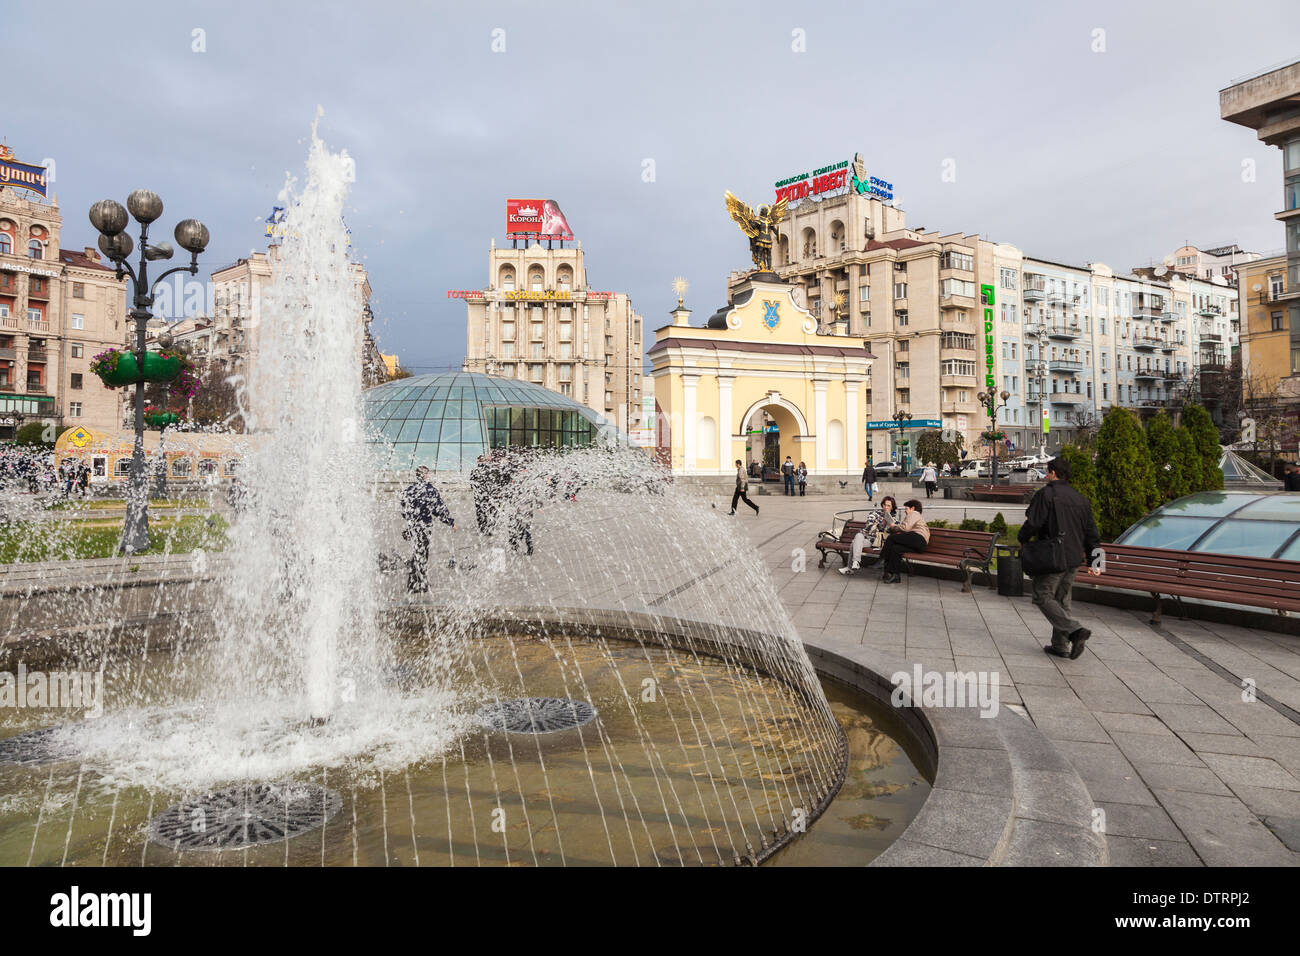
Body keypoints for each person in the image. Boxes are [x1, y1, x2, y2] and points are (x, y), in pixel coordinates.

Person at [1019, 456, 1102, 660]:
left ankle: (1075, 630)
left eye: (1048, 471)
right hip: (1074, 557)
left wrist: (1022, 538)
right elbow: (1092, 532)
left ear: (1053, 472)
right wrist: (1096, 561)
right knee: (1063, 600)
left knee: (1042, 595)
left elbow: (1034, 522)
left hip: (1052, 556)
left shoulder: (1046, 494)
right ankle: (1060, 645)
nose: (1047, 474)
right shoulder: (1080, 498)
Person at [400, 465, 456, 592]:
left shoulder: (409, 490)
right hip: (425, 527)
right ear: (425, 475)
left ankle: (416, 582)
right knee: (422, 554)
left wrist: (410, 522)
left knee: (417, 552)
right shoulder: (429, 490)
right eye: (427, 474)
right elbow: (439, 509)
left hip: (413, 526)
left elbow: (404, 509)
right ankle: (419, 584)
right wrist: (451, 522)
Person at [838, 495, 898, 575]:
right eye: (884, 505)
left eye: (888, 505)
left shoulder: (894, 520)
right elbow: (868, 526)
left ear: (892, 507)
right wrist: (880, 525)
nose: (886, 507)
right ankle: (856, 562)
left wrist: (885, 525)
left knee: (854, 543)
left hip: (878, 542)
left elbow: (892, 533)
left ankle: (850, 568)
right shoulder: (874, 513)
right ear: (882, 505)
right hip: (867, 539)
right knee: (859, 536)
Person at [879, 499, 929, 584]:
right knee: (896, 549)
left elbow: (905, 528)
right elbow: (904, 529)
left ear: (912, 508)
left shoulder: (914, 513)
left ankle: (881, 560)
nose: (905, 511)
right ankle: (896, 576)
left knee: (891, 538)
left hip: (918, 538)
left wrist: (894, 526)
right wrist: (894, 527)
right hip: (919, 545)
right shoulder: (915, 516)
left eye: (906, 508)